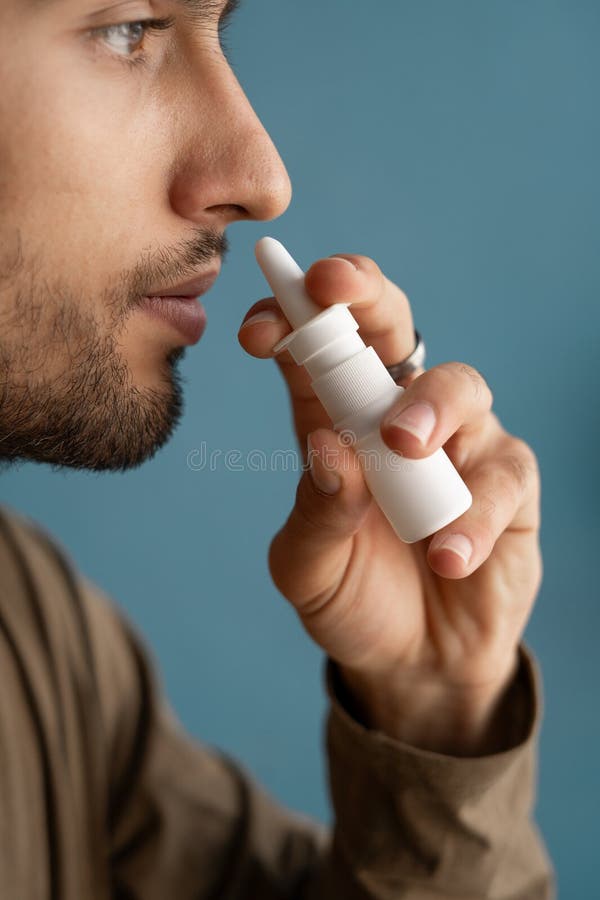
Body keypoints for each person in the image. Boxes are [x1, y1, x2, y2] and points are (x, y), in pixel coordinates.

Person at [0, 1, 556, 897]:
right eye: (129, 27)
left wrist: (435, 706)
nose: (261, 179)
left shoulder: (38, 642)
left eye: (218, 29)